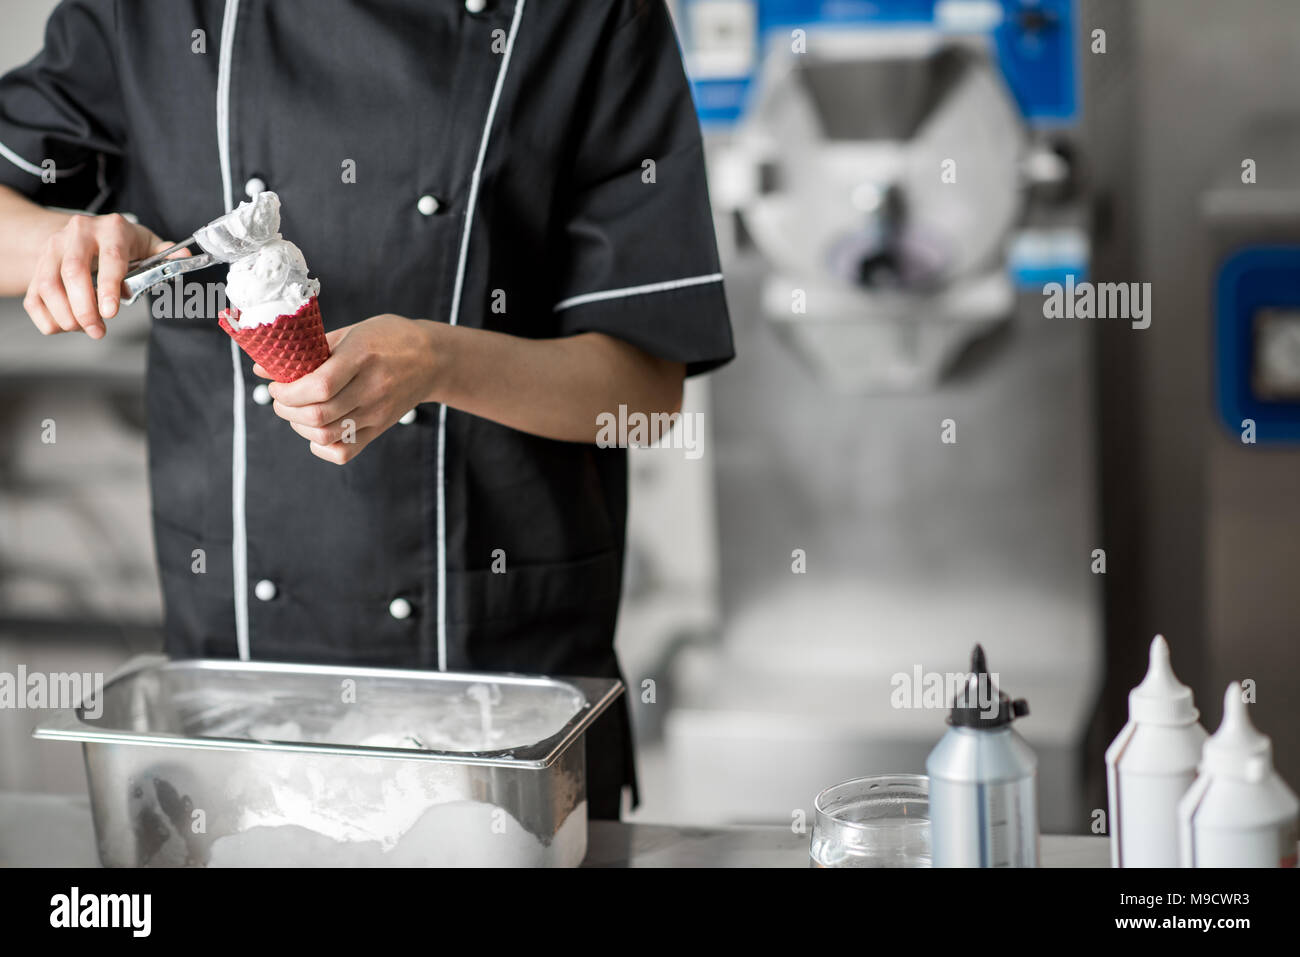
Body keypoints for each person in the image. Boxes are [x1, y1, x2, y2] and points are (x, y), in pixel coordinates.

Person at [0, 0, 734, 819]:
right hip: (242, 699)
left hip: (503, 710)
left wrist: (440, 361)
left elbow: (646, 392)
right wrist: (68, 248)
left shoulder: (589, 15)